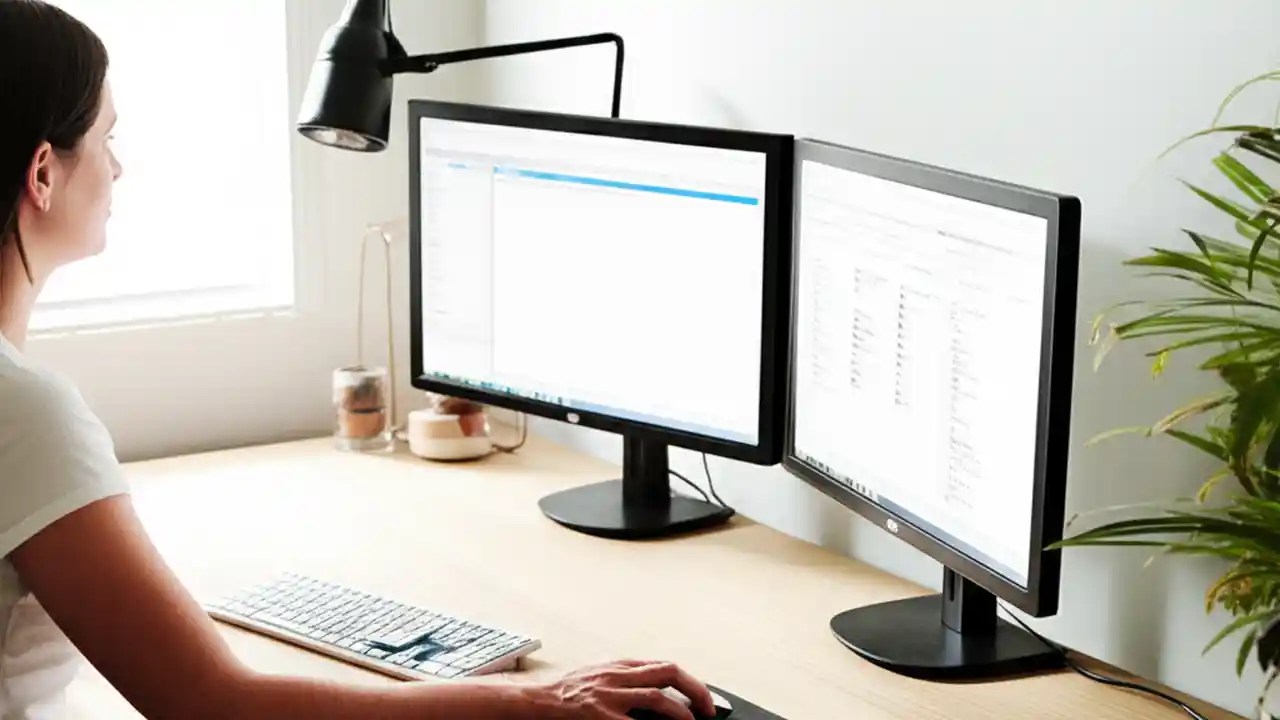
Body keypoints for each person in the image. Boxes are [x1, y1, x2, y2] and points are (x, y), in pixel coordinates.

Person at [0, 2, 716, 718]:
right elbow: (216, 705)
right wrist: (536, 700)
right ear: (42, 174)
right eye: (107, 139)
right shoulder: (30, 413)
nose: (119, 167)